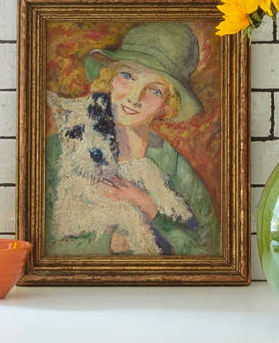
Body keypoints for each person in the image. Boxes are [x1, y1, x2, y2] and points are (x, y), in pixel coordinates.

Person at [45, 20, 217, 257]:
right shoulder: (58, 150)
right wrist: (109, 243)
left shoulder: (174, 166)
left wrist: (151, 210)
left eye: (155, 90)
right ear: (109, 77)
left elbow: (209, 248)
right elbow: (43, 246)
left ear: (167, 105)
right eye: (127, 75)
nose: (135, 98)